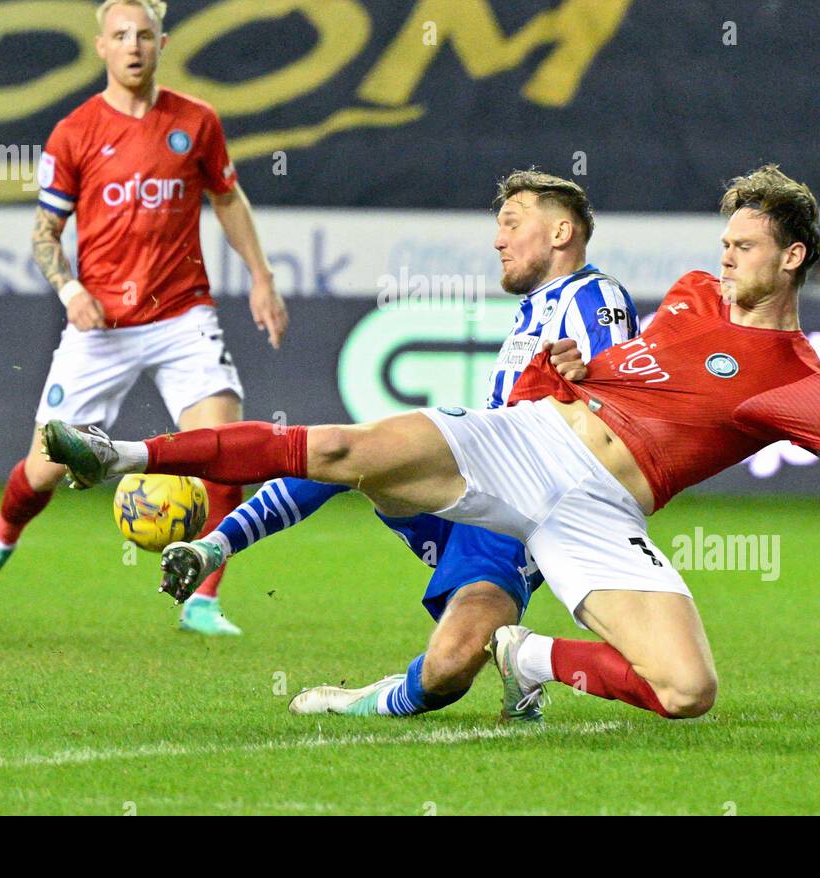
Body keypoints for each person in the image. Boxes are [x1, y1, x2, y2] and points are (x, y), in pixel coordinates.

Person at [44, 164, 820, 721]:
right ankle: (120, 453)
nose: (724, 258)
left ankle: (523, 656)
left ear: (793, 257)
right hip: (532, 442)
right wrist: (579, 366)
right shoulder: (689, 291)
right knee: (339, 450)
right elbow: (643, 369)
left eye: (745, 247)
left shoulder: (801, 382)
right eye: (724, 243)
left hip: (605, 512)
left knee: (688, 691)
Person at [207, 171, 637, 720]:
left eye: (511, 223)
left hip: (515, 522)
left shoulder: (593, 294)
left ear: (560, 232)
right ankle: (213, 548)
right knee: (345, 456)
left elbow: (622, 393)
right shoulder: (536, 308)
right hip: (474, 490)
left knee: (448, 670)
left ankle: (384, 696)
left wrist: (593, 375)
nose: (498, 240)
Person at [0, 0, 289, 640]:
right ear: (102, 47)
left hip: (183, 315)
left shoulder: (197, 121)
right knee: (45, 464)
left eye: (145, 36)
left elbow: (228, 199)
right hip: (101, 322)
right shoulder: (75, 132)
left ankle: (202, 599)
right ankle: (0, 539)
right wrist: (70, 291)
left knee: (222, 450)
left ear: (162, 45)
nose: (133, 46)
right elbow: (45, 232)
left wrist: (260, 277)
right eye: (121, 36)